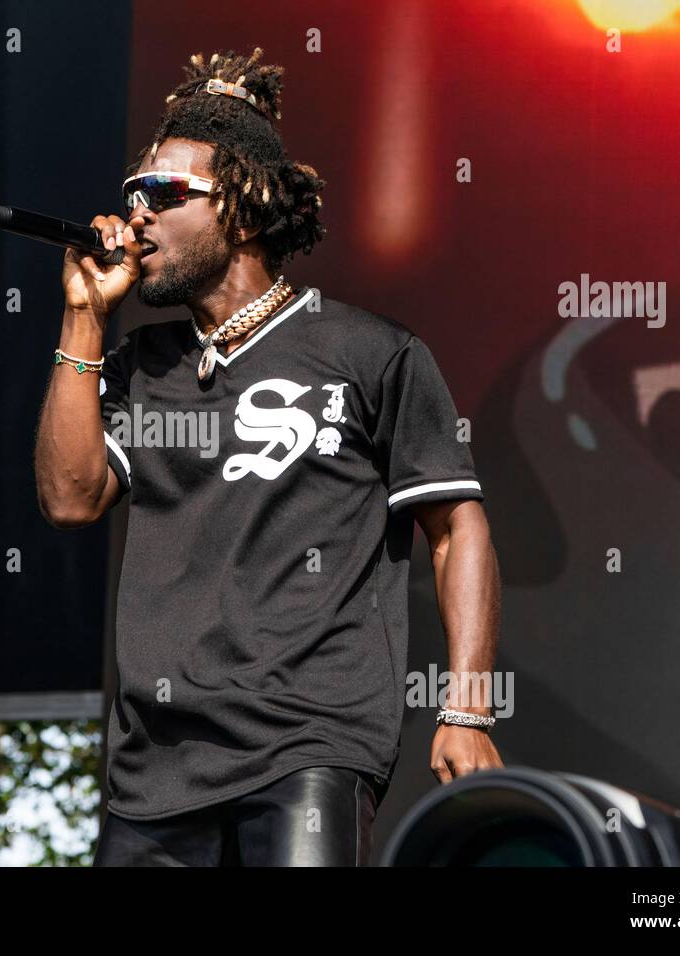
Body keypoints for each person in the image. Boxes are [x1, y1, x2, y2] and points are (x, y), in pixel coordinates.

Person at [33, 47, 503, 866]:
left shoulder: (369, 352)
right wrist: (83, 322)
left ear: (244, 213)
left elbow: (456, 529)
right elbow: (70, 499)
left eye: (164, 194)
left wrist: (465, 706)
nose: (136, 215)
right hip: (153, 769)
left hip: (308, 746)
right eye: (130, 194)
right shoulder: (142, 366)